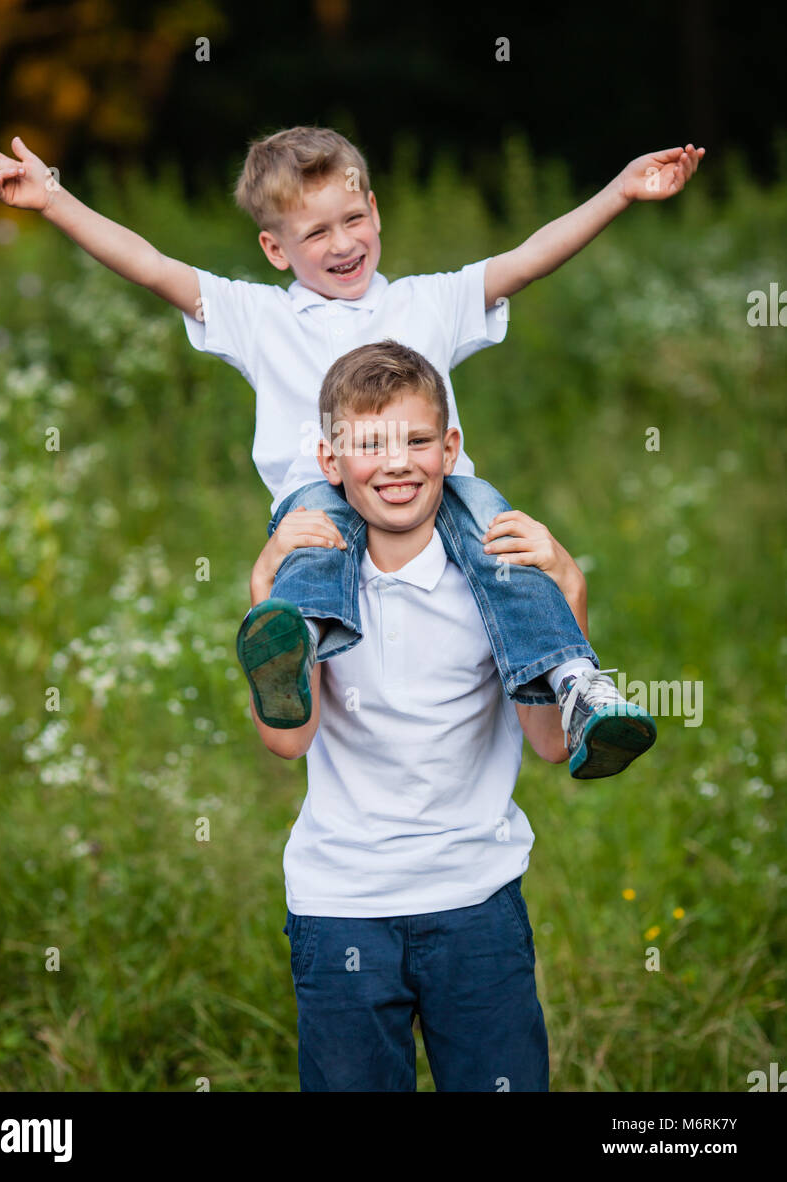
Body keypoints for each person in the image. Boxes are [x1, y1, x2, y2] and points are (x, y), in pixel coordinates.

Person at [0, 125, 704, 771]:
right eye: (315, 233)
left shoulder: (427, 302)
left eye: (353, 219)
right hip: (320, 492)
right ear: (275, 248)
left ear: (375, 210)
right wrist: (54, 200)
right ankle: (291, 652)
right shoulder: (258, 316)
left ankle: (575, 685)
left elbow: (530, 258)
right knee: (314, 548)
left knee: (504, 545)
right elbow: (150, 264)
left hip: (437, 485)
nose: (343, 244)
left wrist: (619, 192)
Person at [246, 341, 598, 1090]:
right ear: (330, 462)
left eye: (415, 441)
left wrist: (567, 584)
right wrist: (262, 596)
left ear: (451, 449)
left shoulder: (496, 582)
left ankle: (583, 681)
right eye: (370, 445)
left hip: (473, 899)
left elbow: (548, 744)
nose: (397, 463)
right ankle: (280, 642)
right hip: (342, 902)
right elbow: (286, 740)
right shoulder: (312, 584)